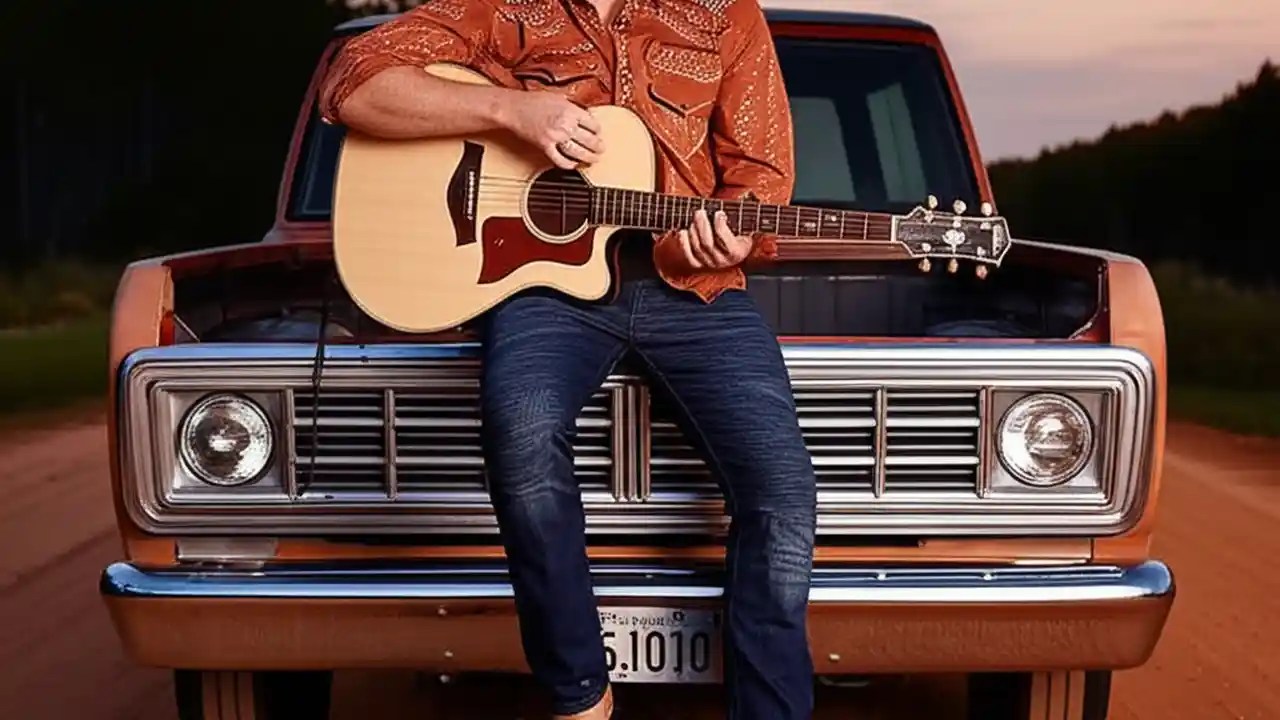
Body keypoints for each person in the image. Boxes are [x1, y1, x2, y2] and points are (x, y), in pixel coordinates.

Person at [318, 1, 817, 718]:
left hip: (690, 283)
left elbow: (760, 174)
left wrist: (734, 233)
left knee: (785, 491)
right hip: (544, 283)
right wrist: (512, 113)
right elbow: (355, 84)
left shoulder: (725, 12)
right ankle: (580, 694)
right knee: (520, 438)